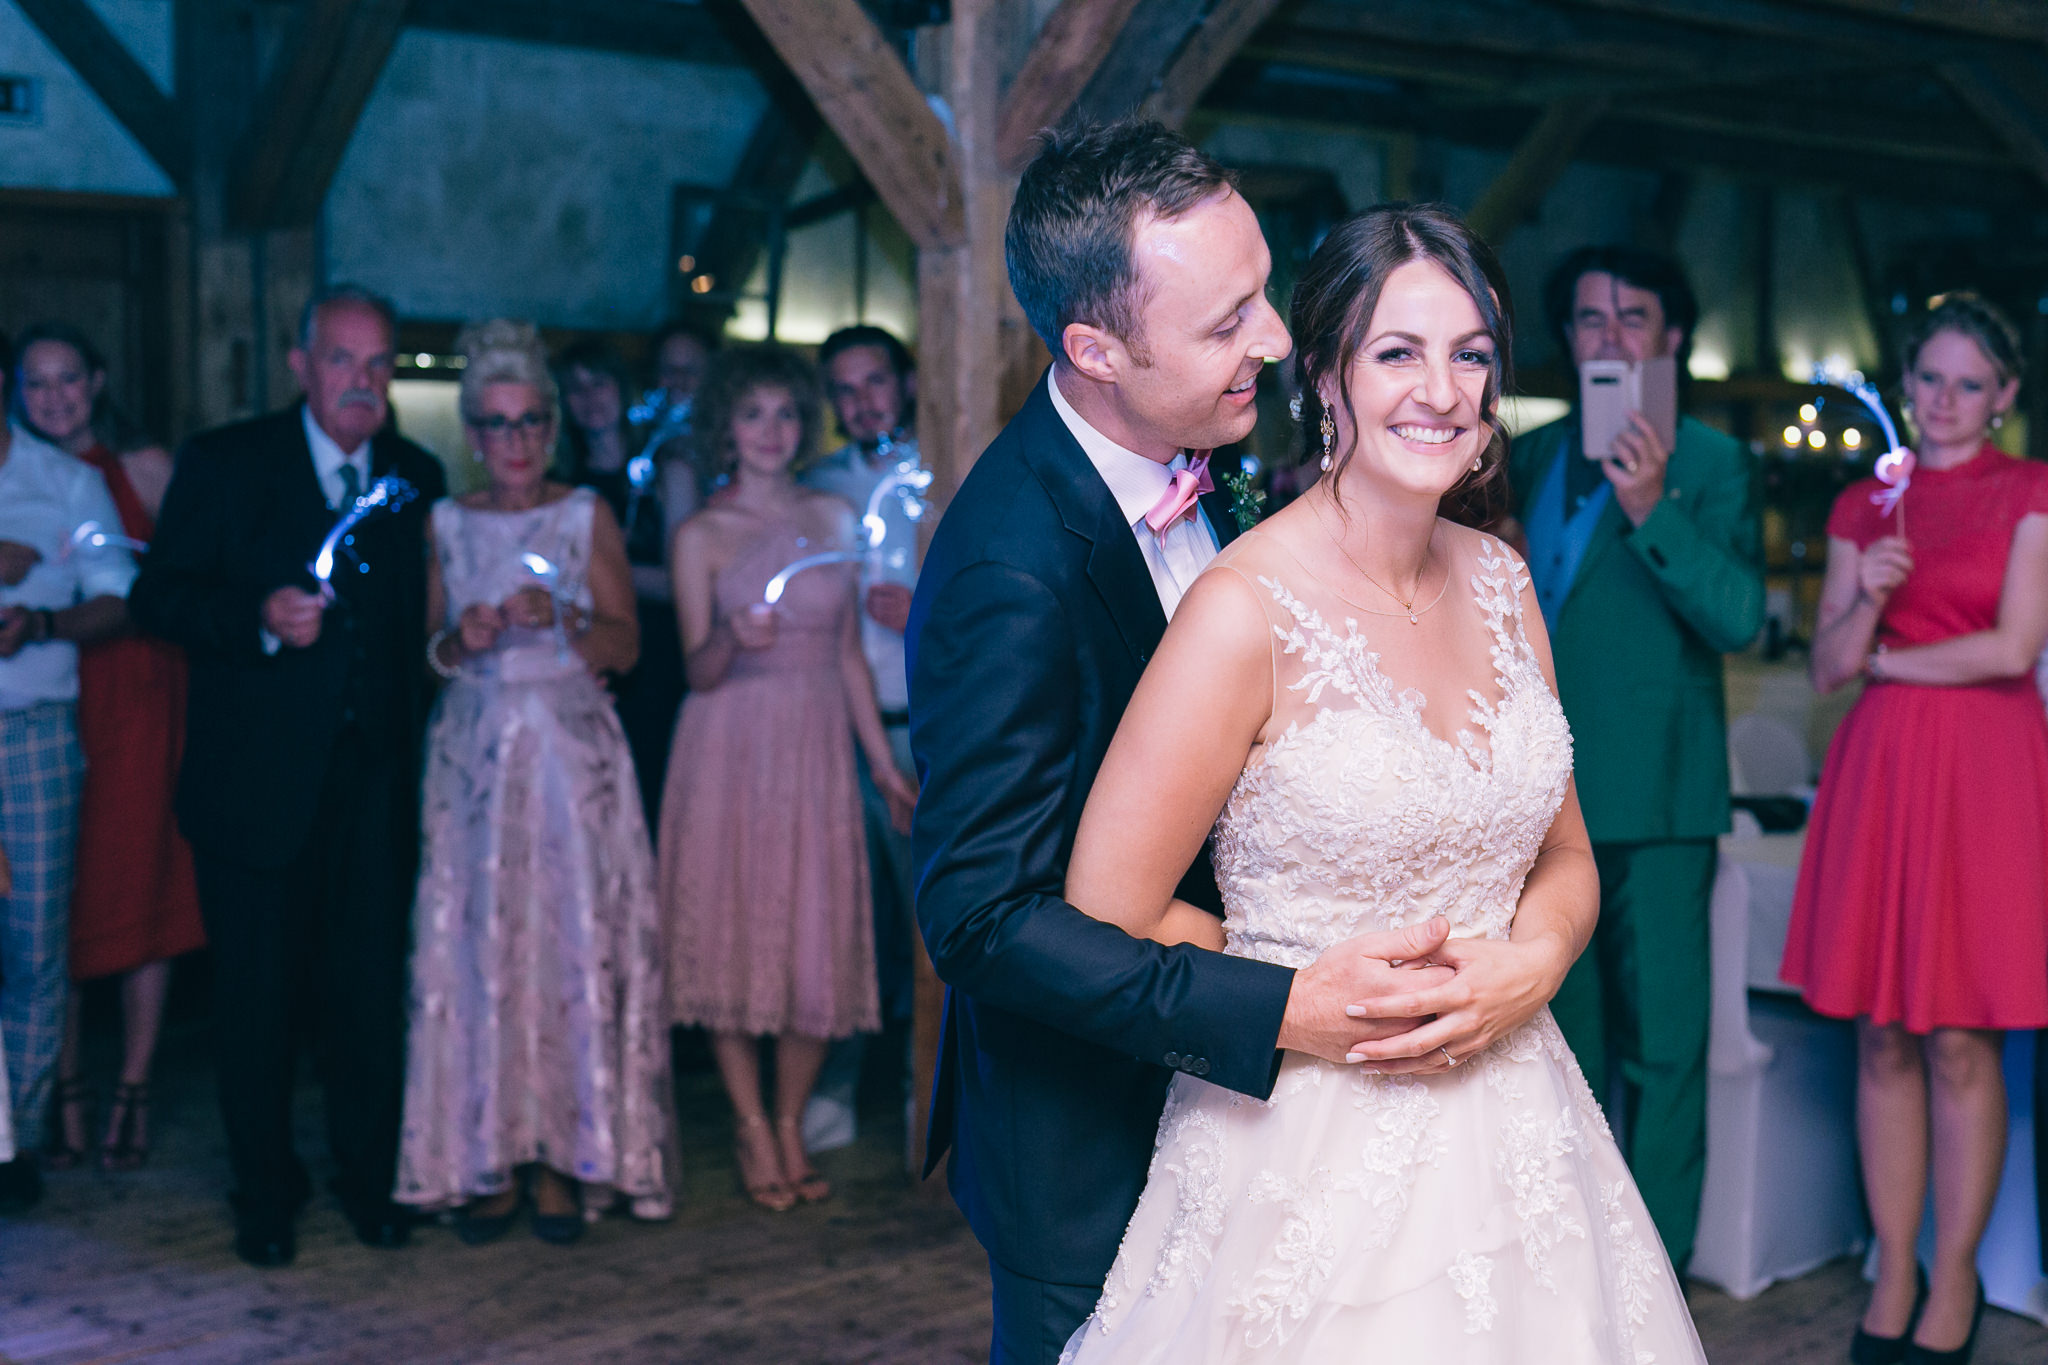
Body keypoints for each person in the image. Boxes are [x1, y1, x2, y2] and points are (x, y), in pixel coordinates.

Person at [908, 122, 1610, 1363]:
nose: (1274, 342)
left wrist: (1531, 959)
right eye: (1228, 321)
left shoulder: (1232, 470)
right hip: (1101, 1122)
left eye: (1266, 298)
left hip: (1452, 1114)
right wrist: (1289, 995)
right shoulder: (1005, 568)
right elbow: (980, 917)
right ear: (1096, 350)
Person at [1050, 199, 1702, 1365]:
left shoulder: (1502, 583)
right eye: (1396, 353)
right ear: (1324, 379)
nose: (1440, 392)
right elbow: (1108, 910)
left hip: (1521, 1132)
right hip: (1299, 1149)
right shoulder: (1241, 610)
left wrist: (1532, 965)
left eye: (1469, 356)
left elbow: (1561, 855)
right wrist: (1296, 992)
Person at [129, 284, 447, 1266]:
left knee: (364, 1001)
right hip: (253, 792)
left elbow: (419, 632)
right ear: (301, 364)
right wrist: (256, 620)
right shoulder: (228, 464)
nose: (363, 381)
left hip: (374, 793)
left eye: (380, 364)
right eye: (344, 360)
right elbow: (158, 599)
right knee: (256, 1007)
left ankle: (368, 1180)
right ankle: (264, 1194)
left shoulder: (415, 473)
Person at [1782, 293, 2048, 1365]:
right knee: (1881, 1031)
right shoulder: (1865, 506)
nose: (1943, 402)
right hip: (1881, 769)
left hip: (1983, 770)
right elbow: (1823, 667)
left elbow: (2011, 647)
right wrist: (1862, 604)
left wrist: (1885, 655)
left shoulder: (2030, 493)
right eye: (1928, 380)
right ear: (1907, 386)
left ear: (2004, 397)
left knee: (1957, 1037)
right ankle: (1890, 1269)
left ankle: (1955, 1283)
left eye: (1967, 384)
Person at [1506, 245, 1764, 1272]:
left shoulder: (1708, 463)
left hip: (1658, 803)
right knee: (1560, 1052)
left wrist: (1652, 506)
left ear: (1669, 337)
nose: (1606, 336)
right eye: (1586, 318)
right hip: (1539, 802)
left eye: (1631, 317)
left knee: (1663, 1053)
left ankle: (1649, 1285)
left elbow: (1739, 616)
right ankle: (1568, 1275)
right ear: (1565, 340)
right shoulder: (1531, 457)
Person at [396, 321, 675, 1245]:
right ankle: (486, 1156)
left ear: (548, 428)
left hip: (569, 762)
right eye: (495, 424)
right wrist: (460, 640)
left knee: (567, 947)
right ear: (471, 433)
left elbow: (627, 645)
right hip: (473, 762)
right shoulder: (444, 522)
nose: (513, 441)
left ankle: (569, 1157)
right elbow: (428, 652)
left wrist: (565, 615)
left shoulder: (584, 514)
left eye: (528, 423)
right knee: (480, 954)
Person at [658, 345, 915, 1212]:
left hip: (813, 750)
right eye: (752, 414)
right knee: (733, 932)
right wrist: (734, 636)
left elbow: (847, 653)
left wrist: (882, 767)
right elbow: (695, 669)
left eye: (785, 414)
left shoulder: (835, 517)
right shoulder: (700, 532)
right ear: (725, 425)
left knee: (814, 934)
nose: (772, 431)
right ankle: (749, 1124)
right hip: (727, 744)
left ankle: (792, 1116)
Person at [12, 323, 205, 1174]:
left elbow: (182, 579)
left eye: (67, 380)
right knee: (61, 900)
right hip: (59, 694)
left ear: (95, 382)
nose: (53, 396)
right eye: (36, 383)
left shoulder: (136, 467)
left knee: (134, 879)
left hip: (129, 684)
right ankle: (62, 1085)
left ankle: (128, 1080)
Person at [0, 347, 136, 1215]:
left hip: (32, 734)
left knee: (33, 948)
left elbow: (119, 596)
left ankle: (16, 1138)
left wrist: (40, 618)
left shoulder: (64, 482)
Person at [798, 325, 925, 1153]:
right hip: (842, 729)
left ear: (906, 381)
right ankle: (834, 1086)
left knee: (936, 919)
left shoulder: (950, 464)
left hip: (939, 729)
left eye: (874, 381)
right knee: (844, 916)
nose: (861, 402)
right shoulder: (818, 488)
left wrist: (930, 616)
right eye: (843, 390)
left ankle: (930, 1091)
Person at [558, 339, 691, 827]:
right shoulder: (563, 484)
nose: (589, 397)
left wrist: (606, 570)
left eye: (600, 382)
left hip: (660, 661)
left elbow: (686, 584)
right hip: (594, 663)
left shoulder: (667, 472)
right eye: (575, 389)